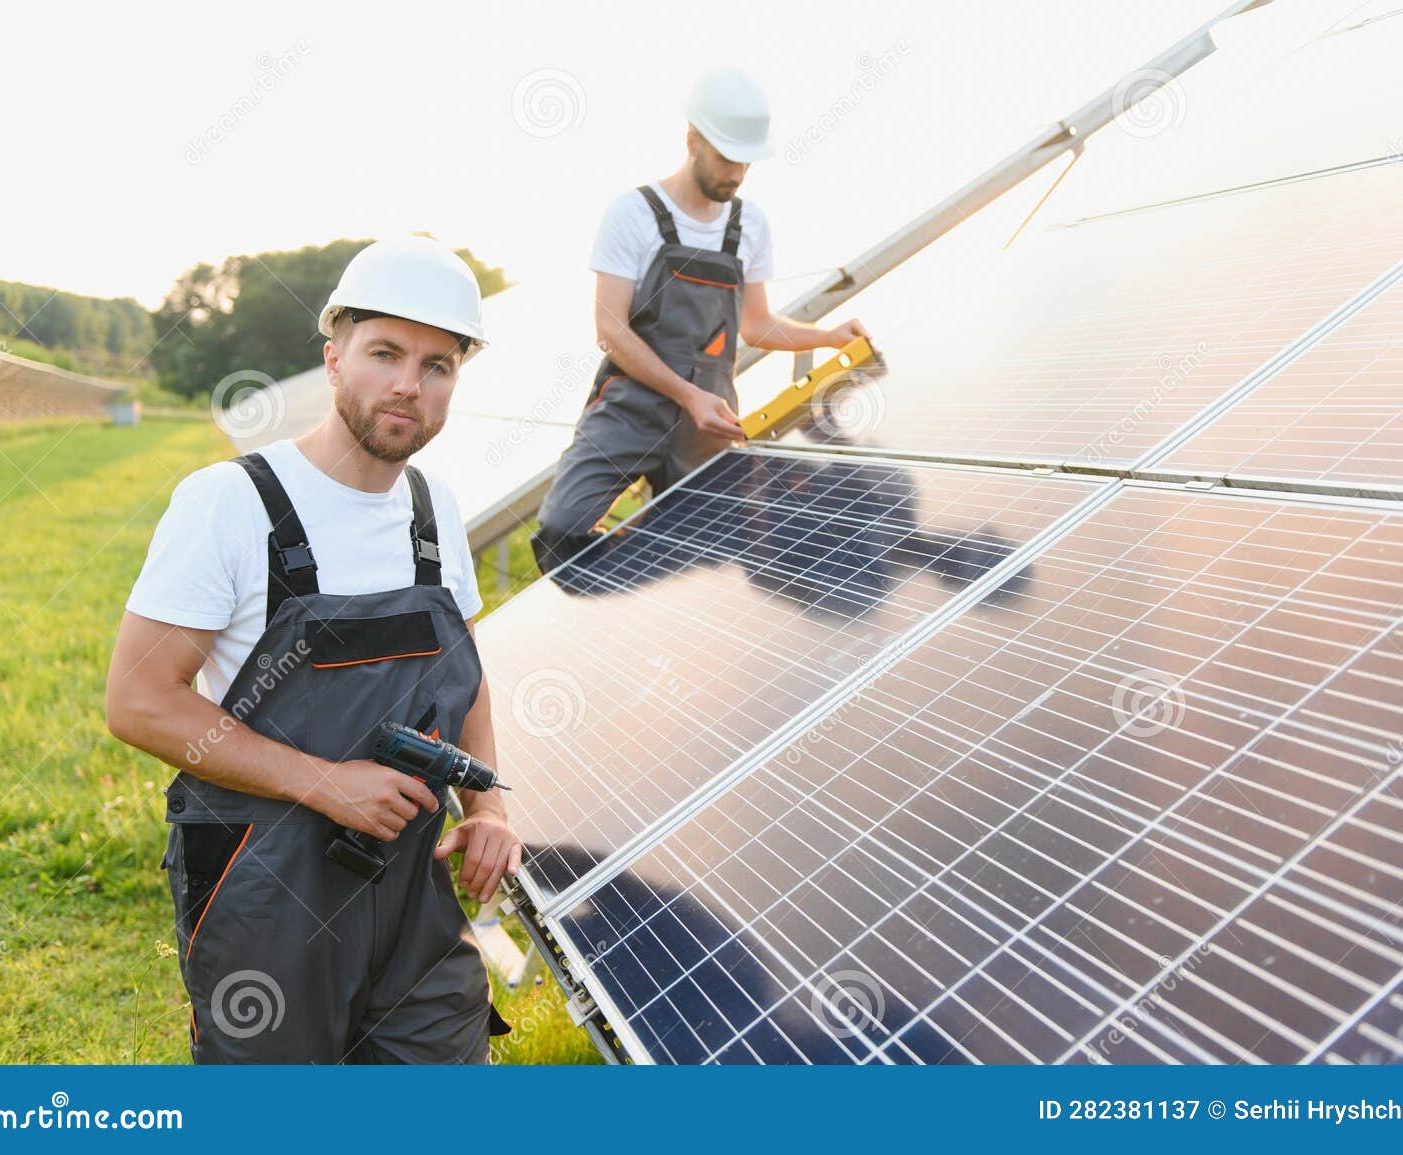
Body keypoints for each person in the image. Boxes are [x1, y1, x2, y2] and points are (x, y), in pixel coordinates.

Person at [105, 236, 521, 1063]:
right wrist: (327, 785)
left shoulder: (436, 514)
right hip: (267, 888)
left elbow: (462, 677)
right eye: (385, 353)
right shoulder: (232, 504)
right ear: (333, 358)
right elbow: (140, 701)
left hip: (409, 890)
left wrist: (489, 806)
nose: (409, 384)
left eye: (438, 364)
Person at [530, 66, 872, 573]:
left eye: (747, 163)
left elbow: (755, 325)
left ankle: (669, 625)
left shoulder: (750, 224)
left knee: (715, 552)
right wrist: (686, 395)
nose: (736, 173)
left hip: (710, 419)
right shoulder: (632, 214)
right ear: (692, 139)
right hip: (631, 407)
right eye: (726, 158)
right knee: (560, 533)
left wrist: (826, 336)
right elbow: (610, 330)